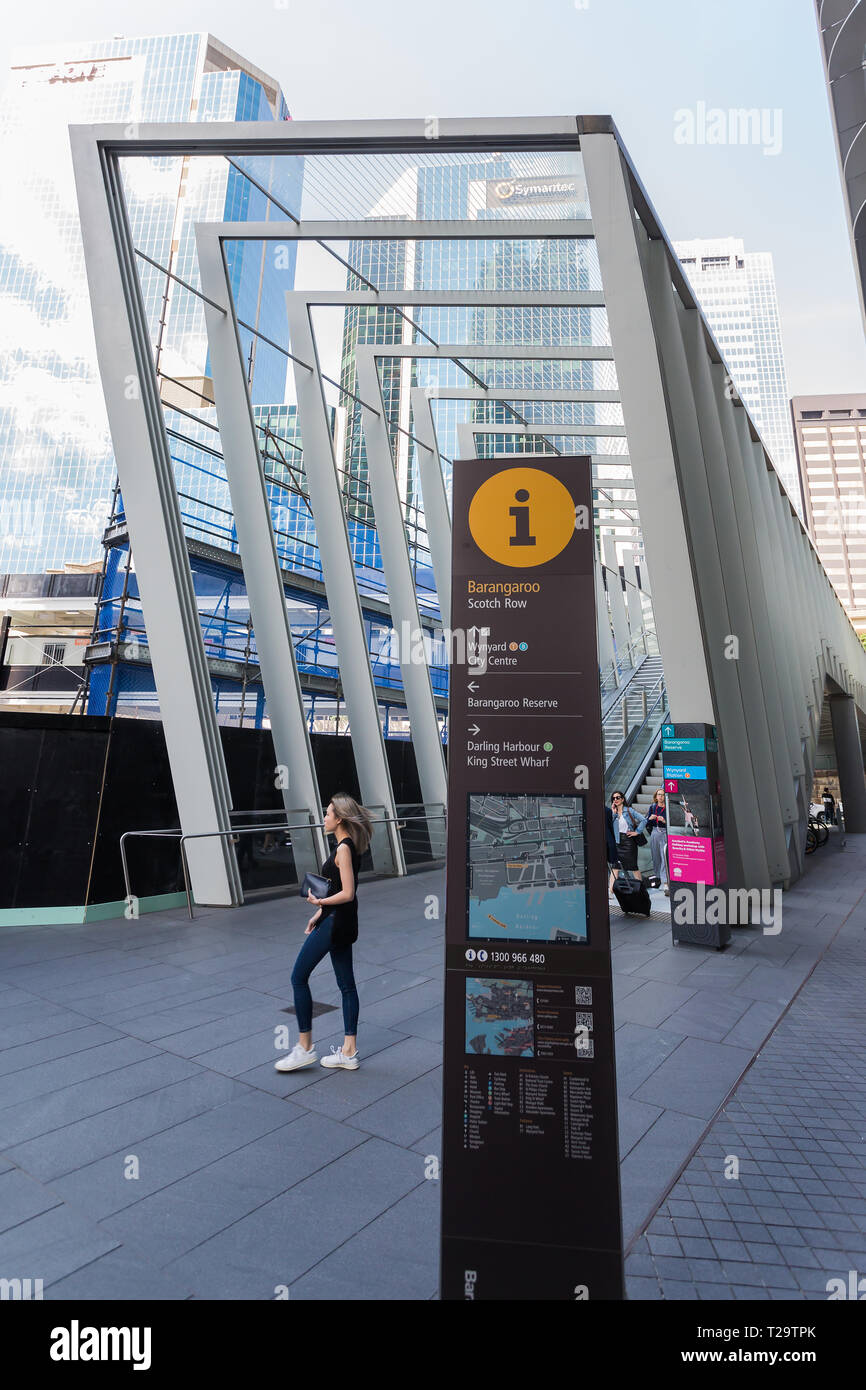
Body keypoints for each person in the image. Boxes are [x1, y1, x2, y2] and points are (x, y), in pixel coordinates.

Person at [275, 794, 373, 1074]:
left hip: (337, 923)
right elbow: (340, 892)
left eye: (328, 813)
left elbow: (348, 893)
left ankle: (305, 1048)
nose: (325, 818)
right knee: (347, 986)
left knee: (298, 977)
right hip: (339, 921)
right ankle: (349, 1052)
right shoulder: (348, 846)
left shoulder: (344, 848)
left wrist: (321, 904)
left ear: (340, 818)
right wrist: (318, 913)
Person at [609, 791, 646, 881]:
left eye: (618, 797)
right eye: (613, 798)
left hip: (629, 842)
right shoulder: (613, 813)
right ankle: (611, 892)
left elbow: (644, 820)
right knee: (615, 868)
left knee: (634, 868)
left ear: (622, 799)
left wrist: (637, 832)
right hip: (617, 842)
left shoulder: (629, 810)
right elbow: (610, 825)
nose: (615, 799)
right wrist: (614, 813)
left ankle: (641, 891)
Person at [645, 789, 669, 895]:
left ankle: (665, 882)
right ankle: (659, 878)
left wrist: (664, 821)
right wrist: (650, 818)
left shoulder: (667, 807)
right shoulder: (653, 807)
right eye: (659, 795)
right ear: (656, 796)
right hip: (655, 832)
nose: (661, 797)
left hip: (664, 832)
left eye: (663, 795)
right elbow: (646, 822)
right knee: (656, 857)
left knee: (664, 857)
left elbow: (671, 821)